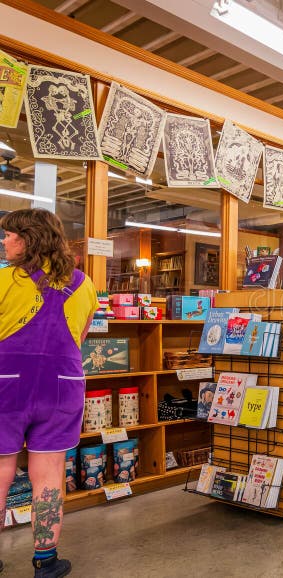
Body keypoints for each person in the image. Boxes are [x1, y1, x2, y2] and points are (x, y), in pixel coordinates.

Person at [0, 209, 98, 578]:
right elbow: (81, 337)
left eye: (10, 235)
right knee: (49, 473)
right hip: (62, 385)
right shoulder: (83, 284)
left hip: (6, 383)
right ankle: (46, 561)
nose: (5, 241)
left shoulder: (4, 279)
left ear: (28, 238)